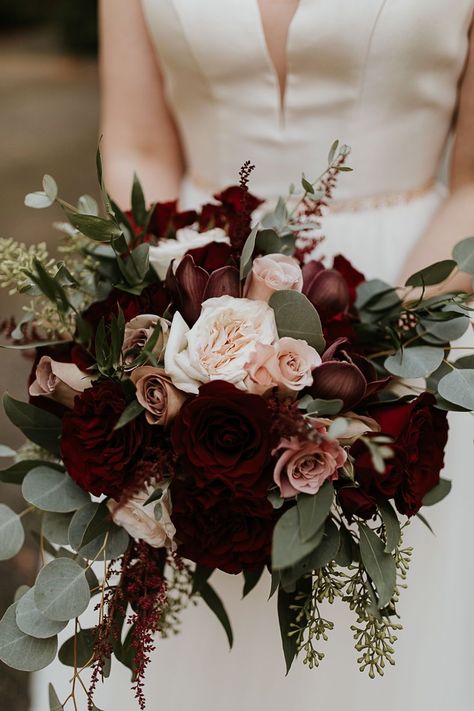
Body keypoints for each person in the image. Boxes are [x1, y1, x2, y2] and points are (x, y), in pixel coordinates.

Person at [33, 1, 474, 709]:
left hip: (411, 306)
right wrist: (175, 346)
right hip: (190, 297)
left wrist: (373, 352)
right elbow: (139, 148)